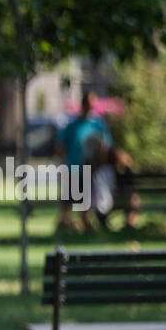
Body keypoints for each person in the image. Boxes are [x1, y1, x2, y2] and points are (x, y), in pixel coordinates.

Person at [57, 92, 112, 229]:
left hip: (89, 168)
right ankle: (64, 222)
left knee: (85, 198)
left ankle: (84, 222)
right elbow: (60, 145)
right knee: (68, 198)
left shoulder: (98, 125)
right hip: (73, 167)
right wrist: (62, 163)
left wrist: (99, 162)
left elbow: (105, 146)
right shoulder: (72, 125)